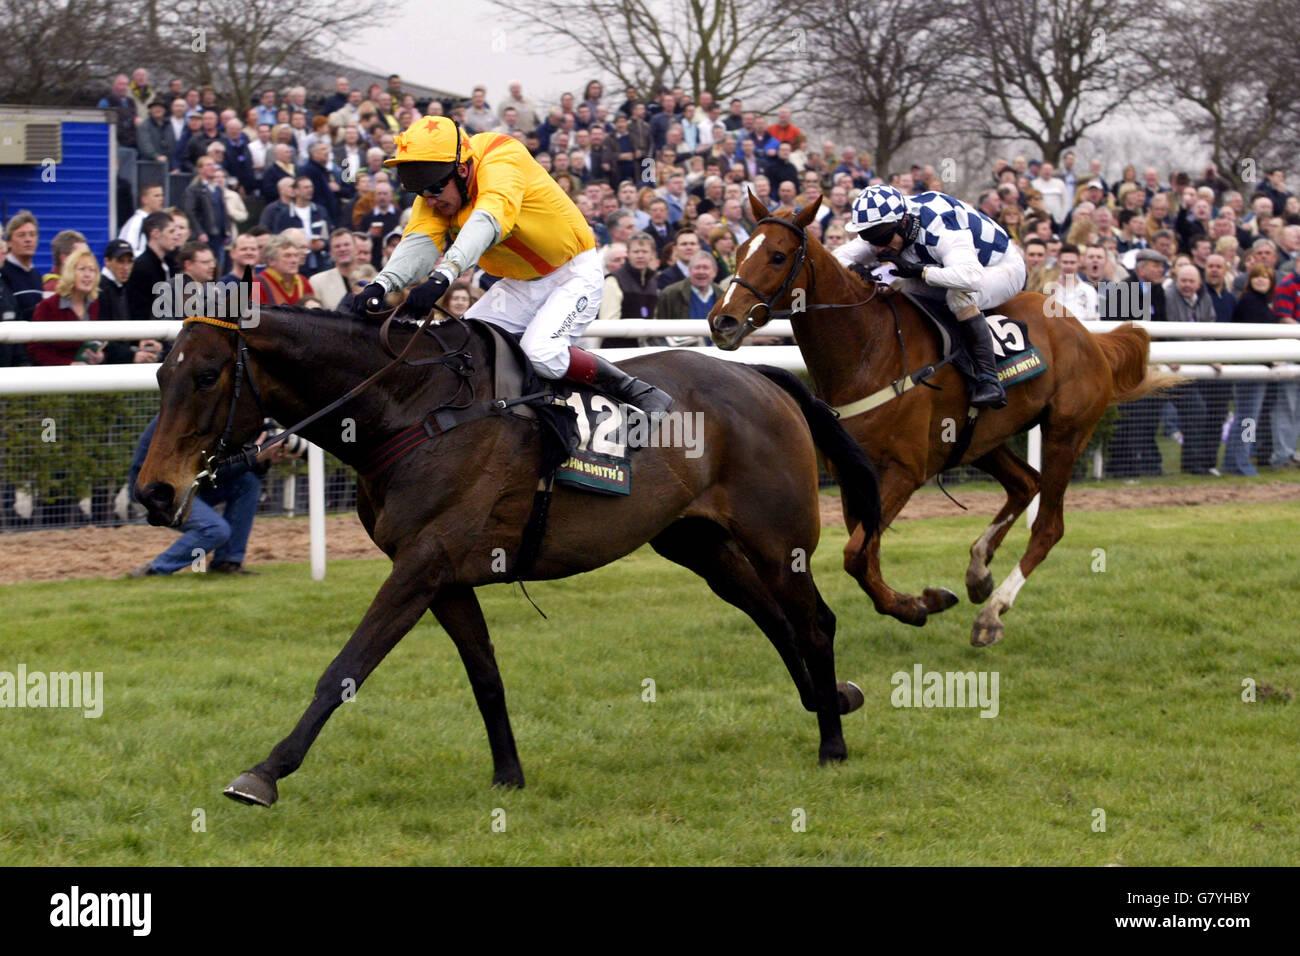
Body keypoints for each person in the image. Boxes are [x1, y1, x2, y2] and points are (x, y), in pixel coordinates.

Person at [355, 118, 671, 414]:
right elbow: (419, 241)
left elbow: (488, 219)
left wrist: (444, 275)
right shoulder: (438, 187)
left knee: (541, 353)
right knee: (461, 345)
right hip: (520, 282)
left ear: (462, 170)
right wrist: (381, 284)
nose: (429, 200)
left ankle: (634, 389)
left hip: (573, 273)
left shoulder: (501, 156)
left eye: (434, 189)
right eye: (420, 192)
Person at [834, 183, 1026, 407]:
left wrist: (920, 271)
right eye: (870, 239)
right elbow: (836, 258)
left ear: (903, 224)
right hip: (949, 266)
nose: (878, 248)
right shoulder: (886, 225)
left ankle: (989, 380)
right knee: (897, 285)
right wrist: (855, 269)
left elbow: (971, 278)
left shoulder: (940, 228)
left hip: (1000, 267)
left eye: (881, 239)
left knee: (958, 296)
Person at [126, 416, 298, 576]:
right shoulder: (196, 419)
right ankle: (155, 570)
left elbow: (217, 472)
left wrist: (263, 461)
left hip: (187, 485)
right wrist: (253, 459)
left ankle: (227, 562)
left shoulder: (216, 413)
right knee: (215, 529)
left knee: (247, 484)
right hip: (155, 492)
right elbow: (213, 471)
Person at [1223, 265, 1278, 475]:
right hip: (1250, 366)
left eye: (1265, 277)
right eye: (1257, 276)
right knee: (1247, 418)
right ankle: (1241, 462)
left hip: (1256, 366)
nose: (1261, 280)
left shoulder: (1262, 302)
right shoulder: (1249, 301)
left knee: (1246, 417)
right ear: (1250, 280)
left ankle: (1235, 461)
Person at [27, 248, 102, 366]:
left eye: (92, 270)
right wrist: (68, 364)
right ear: (70, 273)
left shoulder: (95, 304)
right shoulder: (48, 306)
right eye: (82, 269)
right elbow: (35, 349)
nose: (87, 275)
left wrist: (100, 357)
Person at [2, 212, 44, 322]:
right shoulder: (3, 272)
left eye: (32, 234)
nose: (28, 239)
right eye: (21, 235)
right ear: (9, 242)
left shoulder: (36, 275)